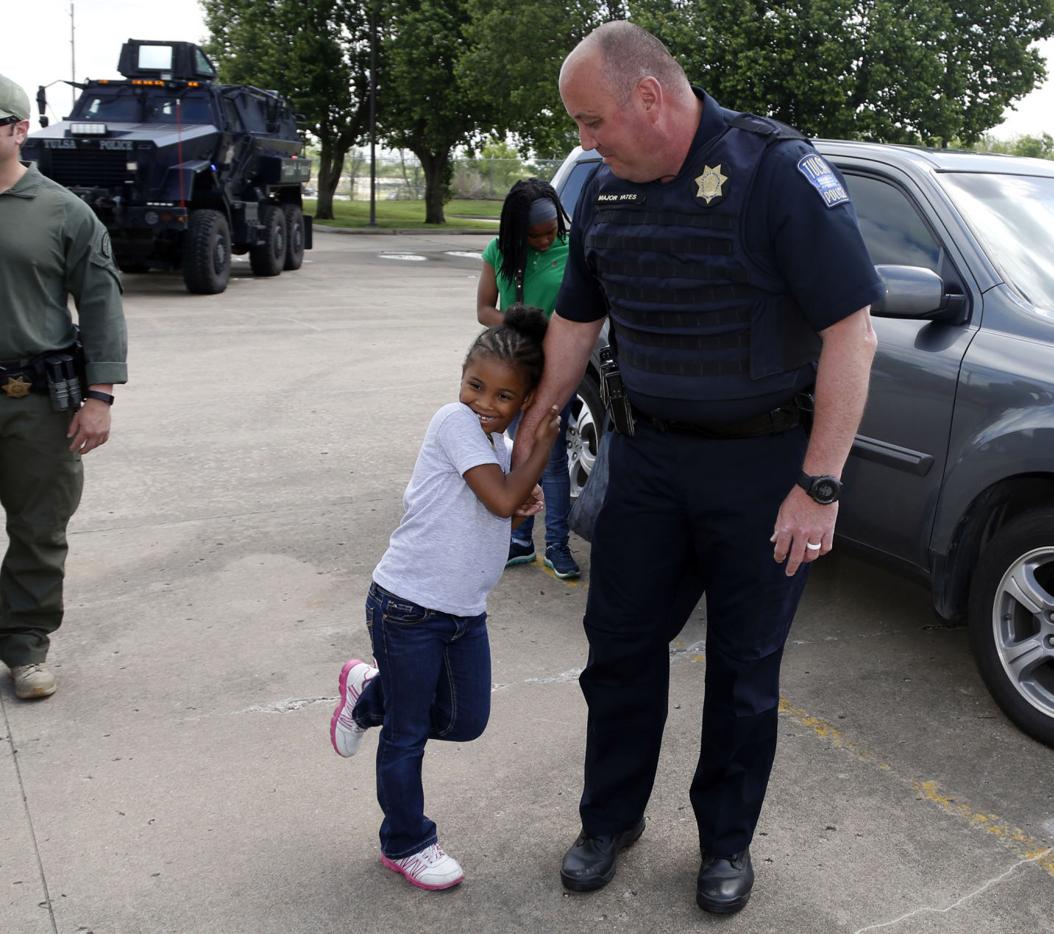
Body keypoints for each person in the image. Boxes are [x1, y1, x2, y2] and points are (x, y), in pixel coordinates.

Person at [513, 22, 883, 914]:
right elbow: (575, 320)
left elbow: (851, 333)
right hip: (645, 464)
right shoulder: (604, 193)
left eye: (592, 120)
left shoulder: (773, 173)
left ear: (649, 97)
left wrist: (819, 484)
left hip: (762, 474)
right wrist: (537, 427)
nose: (583, 141)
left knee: (744, 673)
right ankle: (609, 819)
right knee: (620, 651)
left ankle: (725, 843)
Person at [329, 304, 560, 891]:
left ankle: (367, 695)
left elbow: (501, 502)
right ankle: (406, 843)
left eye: (505, 397)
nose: (484, 402)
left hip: (463, 614)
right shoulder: (453, 422)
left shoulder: (503, 451)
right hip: (407, 607)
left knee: (464, 719)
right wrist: (538, 458)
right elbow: (500, 502)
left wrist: (521, 483)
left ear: (525, 400)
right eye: (475, 384)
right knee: (408, 734)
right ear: (461, 378)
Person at [0, 74, 127, 700]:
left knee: (39, 529)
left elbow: (101, 304)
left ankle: (24, 647)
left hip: (32, 401)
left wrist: (99, 397)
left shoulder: (62, 211)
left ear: (19, 130)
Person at [475, 178, 580, 579]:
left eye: (549, 233)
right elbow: (485, 310)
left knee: (549, 460)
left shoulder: (572, 251)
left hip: (553, 373)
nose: (542, 241)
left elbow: (582, 317)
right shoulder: (499, 251)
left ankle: (557, 545)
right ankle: (518, 541)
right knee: (511, 453)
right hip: (508, 370)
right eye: (533, 236)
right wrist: (517, 323)